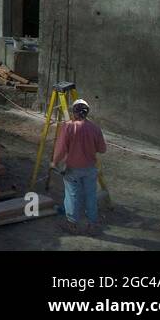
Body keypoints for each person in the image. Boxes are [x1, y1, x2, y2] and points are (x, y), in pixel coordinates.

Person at [53, 98, 107, 235]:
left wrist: (54, 162)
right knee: (91, 195)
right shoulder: (95, 128)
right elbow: (102, 149)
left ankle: (72, 224)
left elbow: (60, 150)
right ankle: (92, 225)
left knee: (72, 195)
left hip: (72, 168)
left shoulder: (68, 127)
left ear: (74, 112)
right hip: (90, 168)